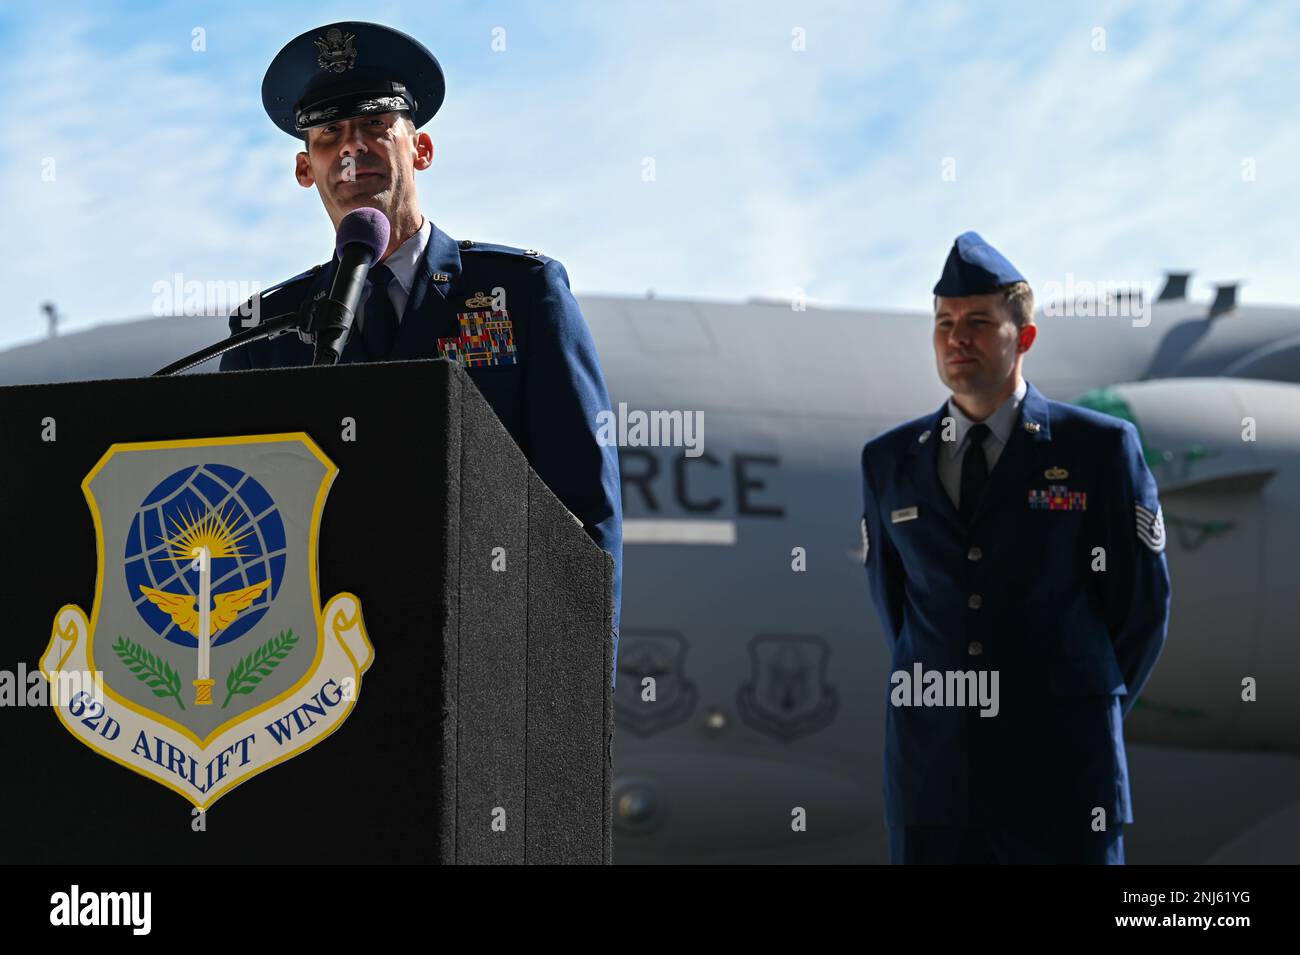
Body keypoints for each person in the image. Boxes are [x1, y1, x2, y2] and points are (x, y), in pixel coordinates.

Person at [219, 21, 622, 683]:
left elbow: (583, 512)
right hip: (317, 688)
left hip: (486, 671)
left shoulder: (521, 292)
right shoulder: (267, 330)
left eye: (376, 127)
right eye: (328, 135)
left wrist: (572, 700)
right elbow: (244, 531)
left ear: (422, 148)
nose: (353, 152)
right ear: (304, 167)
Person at [859, 231, 1171, 864]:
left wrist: (1077, 708)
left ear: (1023, 338)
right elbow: (899, 610)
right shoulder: (888, 461)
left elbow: (1140, 613)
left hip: (1064, 781)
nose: (956, 339)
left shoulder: (1098, 451)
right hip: (933, 787)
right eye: (944, 323)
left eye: (978, 322)